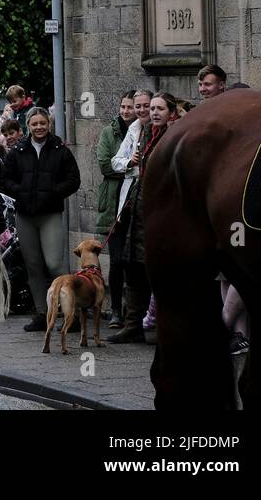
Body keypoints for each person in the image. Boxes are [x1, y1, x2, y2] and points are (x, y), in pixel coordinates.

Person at [0, 106, 81, 332]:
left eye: (42, 123)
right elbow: (5, 180)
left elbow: (73, 179)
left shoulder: (60, 150)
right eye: (34, 124)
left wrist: (53, 192)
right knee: (33, 265)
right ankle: (40, 312)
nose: (39, 127)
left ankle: (70, 312)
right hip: (25, 215)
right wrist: (21, 191)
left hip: (50, 214)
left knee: (55, 263)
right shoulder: (19, 151)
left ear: (49, 124)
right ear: (28, 126)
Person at [108, 92, 178, 343]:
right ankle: (132, 324)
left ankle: (167, 327)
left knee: (159, 271)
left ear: (171, 112)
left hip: (163, 211)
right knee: (133, 267)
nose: (155, 112)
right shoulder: (144, 133)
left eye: (160, 108)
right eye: (153, 108)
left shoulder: (174, 135)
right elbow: (119, 163)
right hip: (138, 206)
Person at [95, 91, 135, 321]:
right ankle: (117, 309)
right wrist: (131, 168)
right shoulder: (110, 132)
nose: (126, 111)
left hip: (136, 201)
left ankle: (134, 310)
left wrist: (123, 166)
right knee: (117, 259)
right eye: (124, 106)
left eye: (130, 107)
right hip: (114, 201)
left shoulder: (142, 131)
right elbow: (105, 165)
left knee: (135, 262)